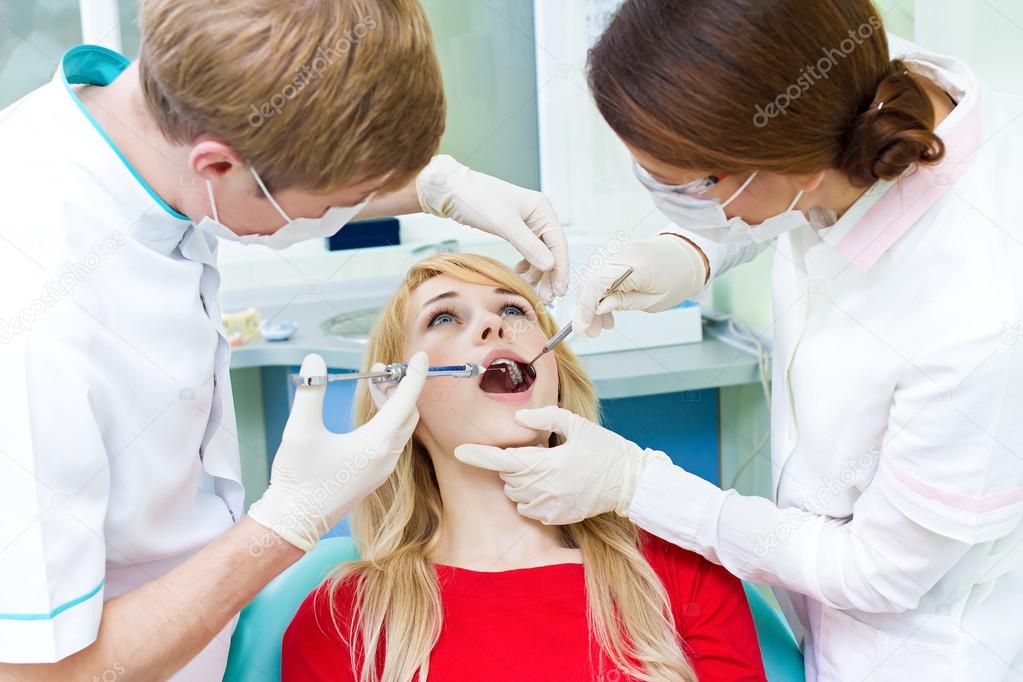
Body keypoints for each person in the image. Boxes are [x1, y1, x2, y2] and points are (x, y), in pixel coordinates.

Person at [0, 1, 569, 678]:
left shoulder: (151, 134)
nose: (347, 214)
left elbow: (248, 184)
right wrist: (285, 524)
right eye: (340, 204)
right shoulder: (35, 316)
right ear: (216, 167)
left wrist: (438, 186)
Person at [456, 1, 1023, 680]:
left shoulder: (977, 313)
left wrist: (639, 486)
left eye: (679, 187)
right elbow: (779, 194)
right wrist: (687, 249)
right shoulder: (841, 81)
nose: (487, 328)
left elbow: (877, 574)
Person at [281, 253, 767, 681]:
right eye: (444, 317)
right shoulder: (345, 619)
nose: (494, 325)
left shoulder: (677, 570)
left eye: (513, 309)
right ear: (398, 400)